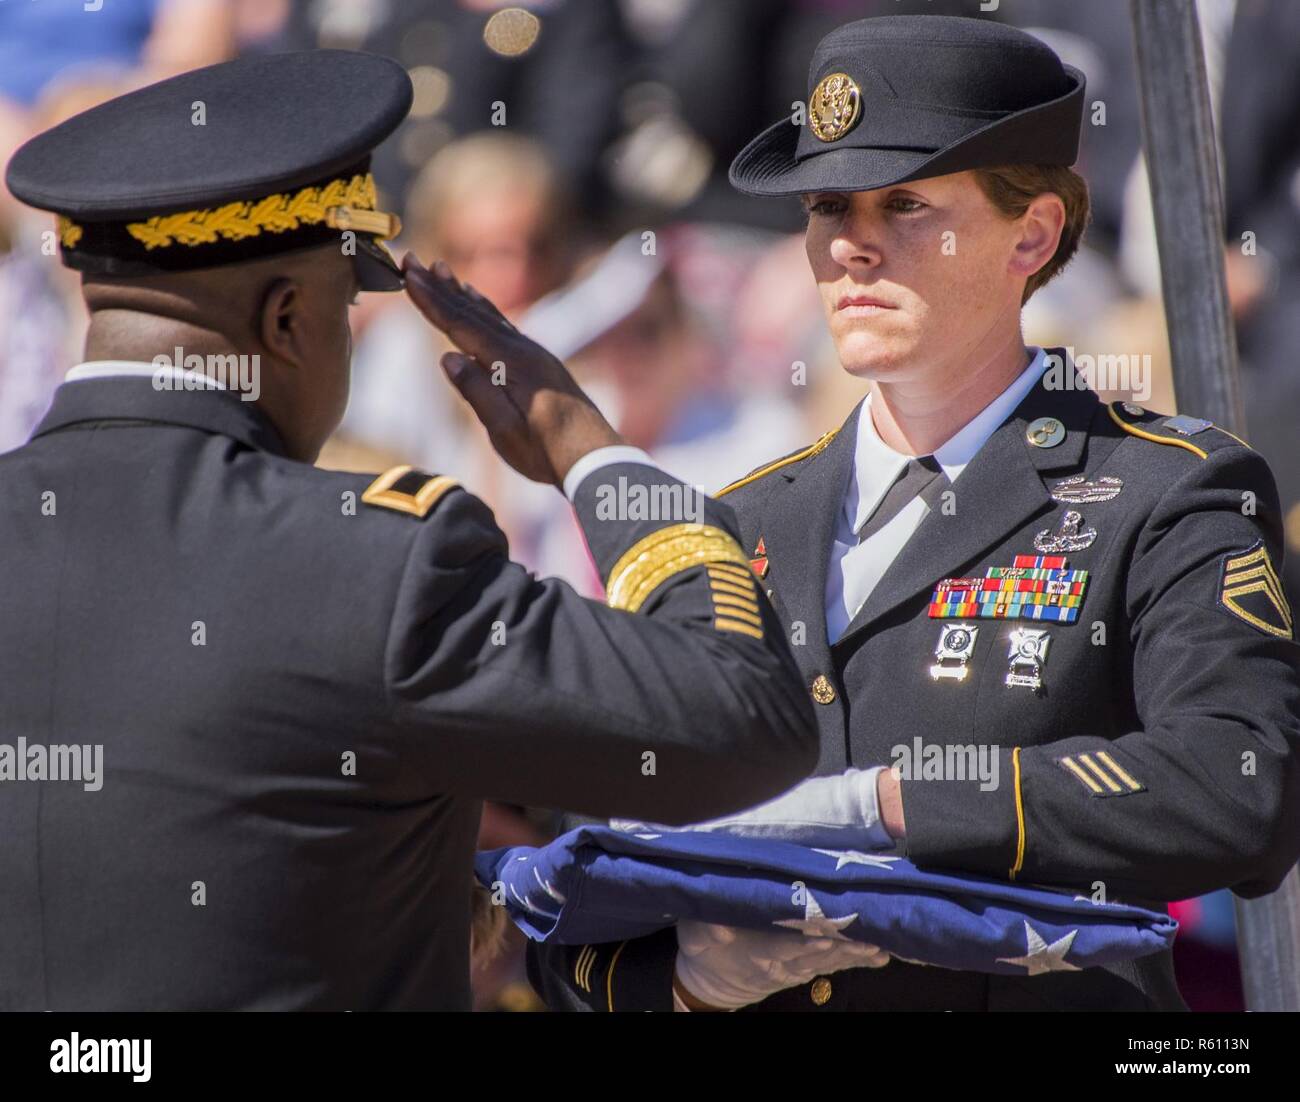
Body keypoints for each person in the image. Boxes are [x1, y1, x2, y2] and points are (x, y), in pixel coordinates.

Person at [0, 50, 819, 1010]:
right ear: (291, 318)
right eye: (348, 306)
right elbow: (741, 718)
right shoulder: (375, 562)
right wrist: (593, 455)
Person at [522, 15, 1300, 1011]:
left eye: (904, 204)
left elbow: (1237, 785)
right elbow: (571, 876)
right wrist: (680, 979)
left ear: (1033, 232)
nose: (850, 245)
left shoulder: (1168, 490)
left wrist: (885, 806)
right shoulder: (739, 522)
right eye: (827, 204)